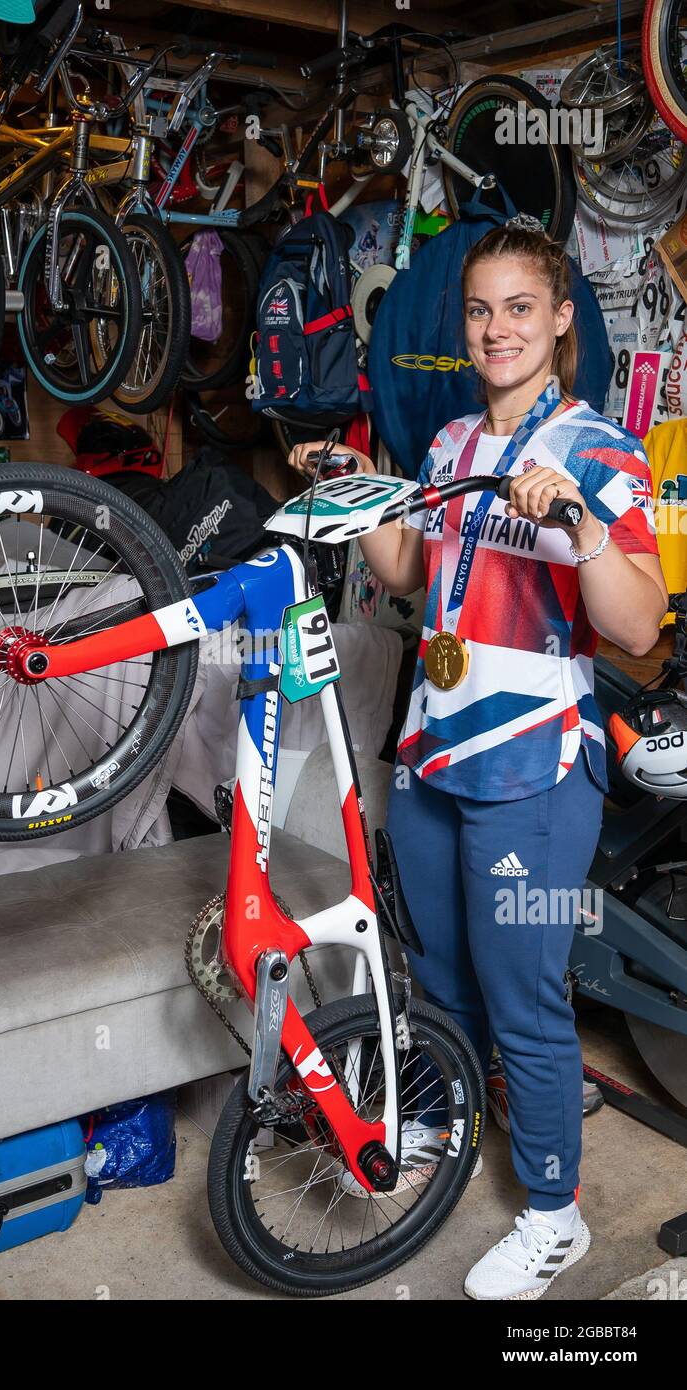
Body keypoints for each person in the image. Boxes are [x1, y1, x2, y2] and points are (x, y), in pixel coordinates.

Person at [288, 218, 668, 1301]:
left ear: (558, 320)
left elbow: (637, 626)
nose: (494, 328)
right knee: (441, 980)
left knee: (523, 996)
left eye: (516, 308)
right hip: (431, 754)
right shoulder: (451, 446)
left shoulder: (598, 450)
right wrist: (363, 486)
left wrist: (581, 526)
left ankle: (554, 1214)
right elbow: (409, 571)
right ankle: (451, 1129)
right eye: (477, 309)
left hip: (535, 771)